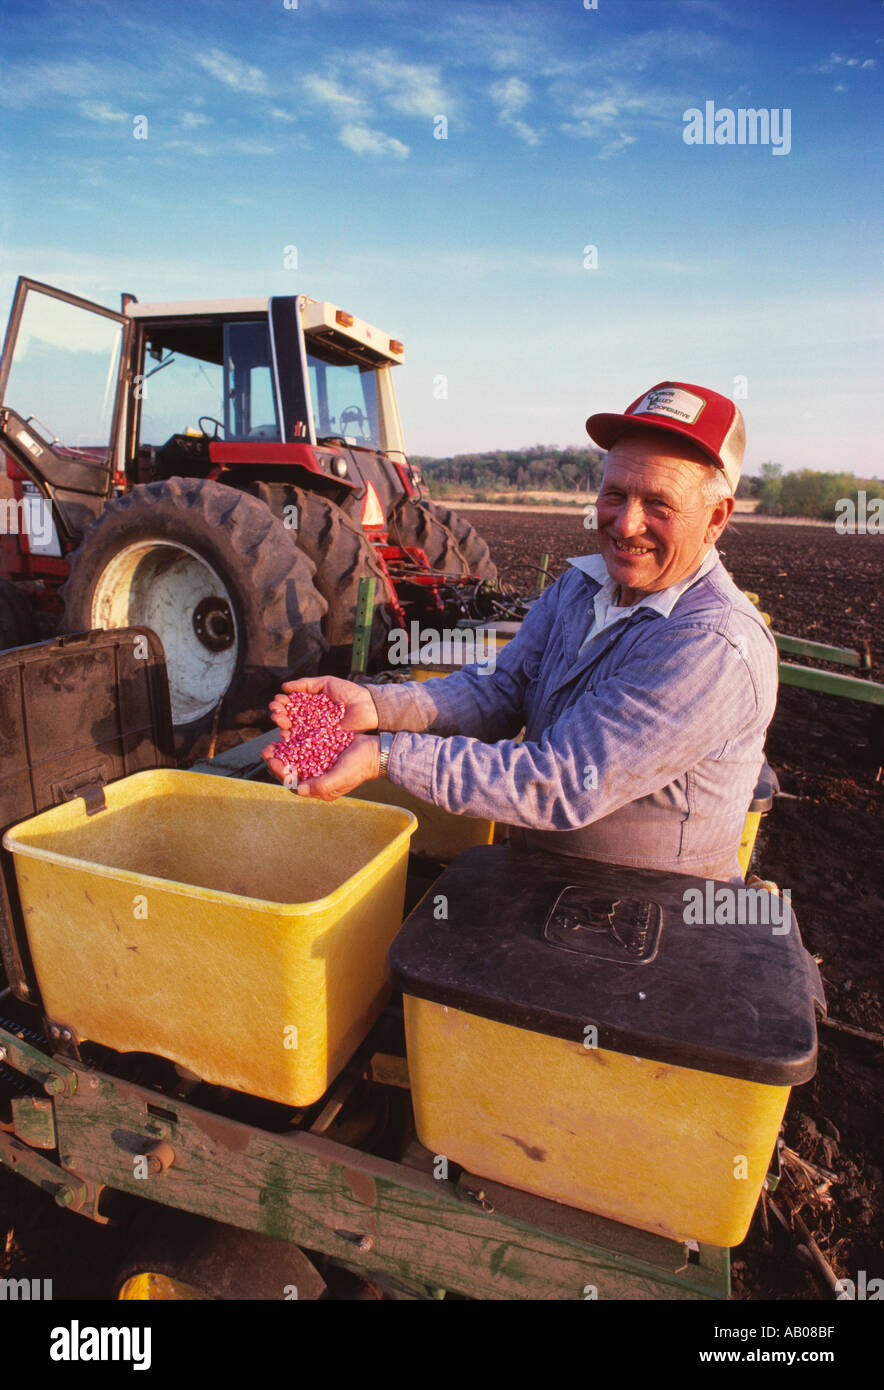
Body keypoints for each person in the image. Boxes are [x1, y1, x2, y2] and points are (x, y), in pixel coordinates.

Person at [262, 381, 778, 883]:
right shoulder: (581, 586)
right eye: (615, 495)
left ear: (715, 518)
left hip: (653, 914)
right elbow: (501, 688)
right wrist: (376, 707)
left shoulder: (712, 645)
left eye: (659, 505)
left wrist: (386, 754)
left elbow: (563, 782)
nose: (624, 524)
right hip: (548, 877)